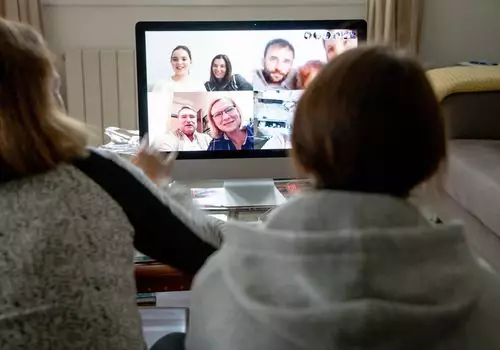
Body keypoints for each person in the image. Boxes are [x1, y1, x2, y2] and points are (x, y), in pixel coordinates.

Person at [137, 46, 500, 350]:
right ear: (434, 158)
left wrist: (161, 185)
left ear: (302, 149)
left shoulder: (222, 282)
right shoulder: (487, 296)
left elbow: (222, 243)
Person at [0, 19, 222, 350]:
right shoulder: (97, 173)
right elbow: (212, 253)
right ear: (40, 100)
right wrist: (156, 180)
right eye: (55, 89)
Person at [206, 97, 286, 150]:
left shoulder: (261, 133)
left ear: (238, 111)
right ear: (213, 121)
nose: (226, 117)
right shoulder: (214, 145)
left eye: (229, 109)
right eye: (218, 114)